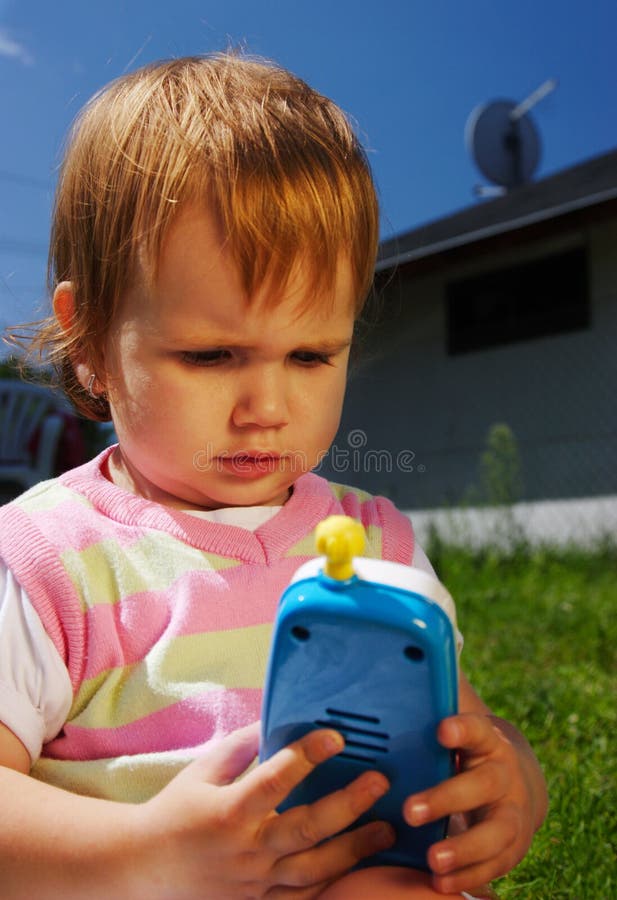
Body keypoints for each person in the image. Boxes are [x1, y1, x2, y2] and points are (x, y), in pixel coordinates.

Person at [0, 53, 547, 899]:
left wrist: (509, 781)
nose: (267, 406)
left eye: (309, 353)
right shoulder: (49, 559)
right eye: (212, 354)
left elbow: (462, 728)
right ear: (92, 340)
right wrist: (145, 851)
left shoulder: (376, 542)